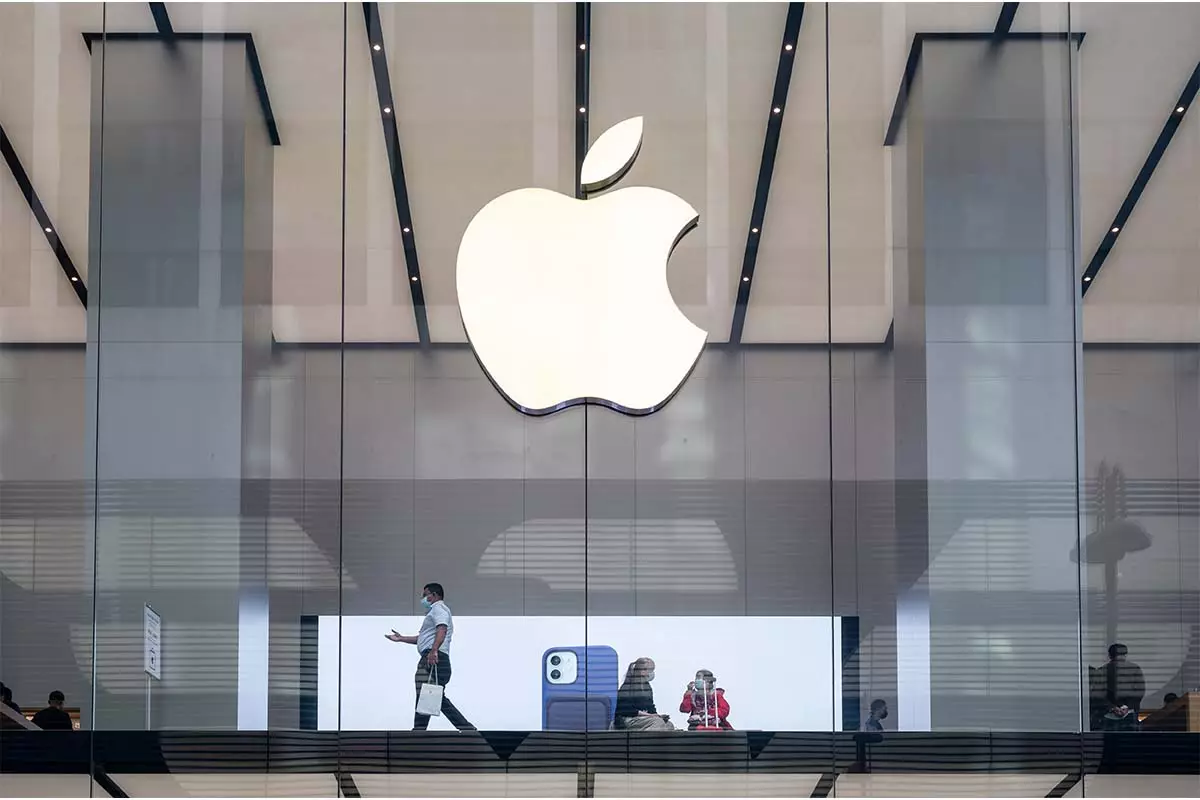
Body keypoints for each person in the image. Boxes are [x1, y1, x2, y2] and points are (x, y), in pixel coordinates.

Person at [385, 582, 475, 731]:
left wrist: (433, 651)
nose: (423, 599)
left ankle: (420, 730)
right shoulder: (434, 612)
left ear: (434, 595)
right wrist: (401, 638)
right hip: (436, 656)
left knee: (426, 693)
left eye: (425, 595)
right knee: (431, 695)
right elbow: (422, 639)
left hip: (433, 657)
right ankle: (464, 727)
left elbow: (442, 629)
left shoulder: (438, 609)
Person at [613, 657, 672, 730]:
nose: (651, 672)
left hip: (643, 719)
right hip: (628, 719)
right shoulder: (627, 687)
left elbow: (651, 707)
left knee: (669, 725)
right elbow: (626, 710)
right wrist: (650, 716)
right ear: (642, 671)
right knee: (658, 723)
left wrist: (657, 715)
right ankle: (643, 740)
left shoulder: (647, 687)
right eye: (650, 670)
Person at [1101, 643, 1145, 731]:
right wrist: (1127, 707)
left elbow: (1099, 694)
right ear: (1125, 655)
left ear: (1110, 655)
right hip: (1130, 713)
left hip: (1109, 715)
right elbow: (1140, 691)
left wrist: (1112, 707)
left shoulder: (1102, 671)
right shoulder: (1135, 668)